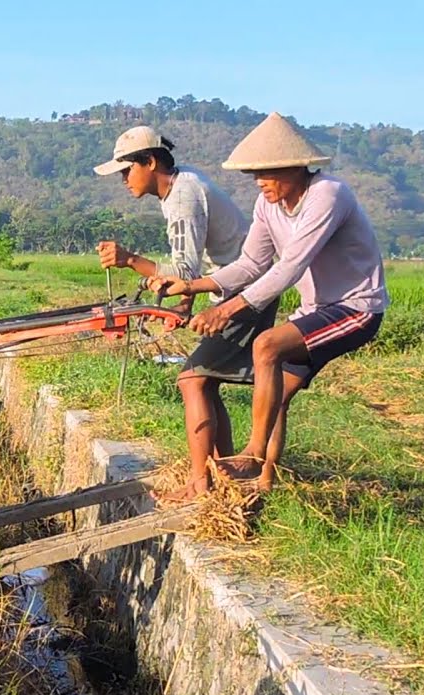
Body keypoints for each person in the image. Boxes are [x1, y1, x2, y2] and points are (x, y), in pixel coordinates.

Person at [150, 112, 389, 494]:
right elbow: (251, 264)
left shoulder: (328, 194)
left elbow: (290, 267)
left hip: (355, 308)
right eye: (255, 175)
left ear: (297, 167)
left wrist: (226, 309)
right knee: (277, 393)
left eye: (269, 172)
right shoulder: (267, 205)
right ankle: (261, 485)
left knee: (266, 346)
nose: (261, 182)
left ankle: (254, 453)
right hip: (316, 310)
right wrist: (193, 286)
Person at [93, 126, 278, 501]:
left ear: (149, 161)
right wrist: (182, 304)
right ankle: (226, 475)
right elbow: (190, 267)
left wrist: (130, 261)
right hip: (232, 287)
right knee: (207, 381)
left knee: (191, 379)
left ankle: (199, 483)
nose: (123, 180)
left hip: (243, 293)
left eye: (126, 171)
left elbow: (184, 273)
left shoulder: (182, 198)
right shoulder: (183, 186)